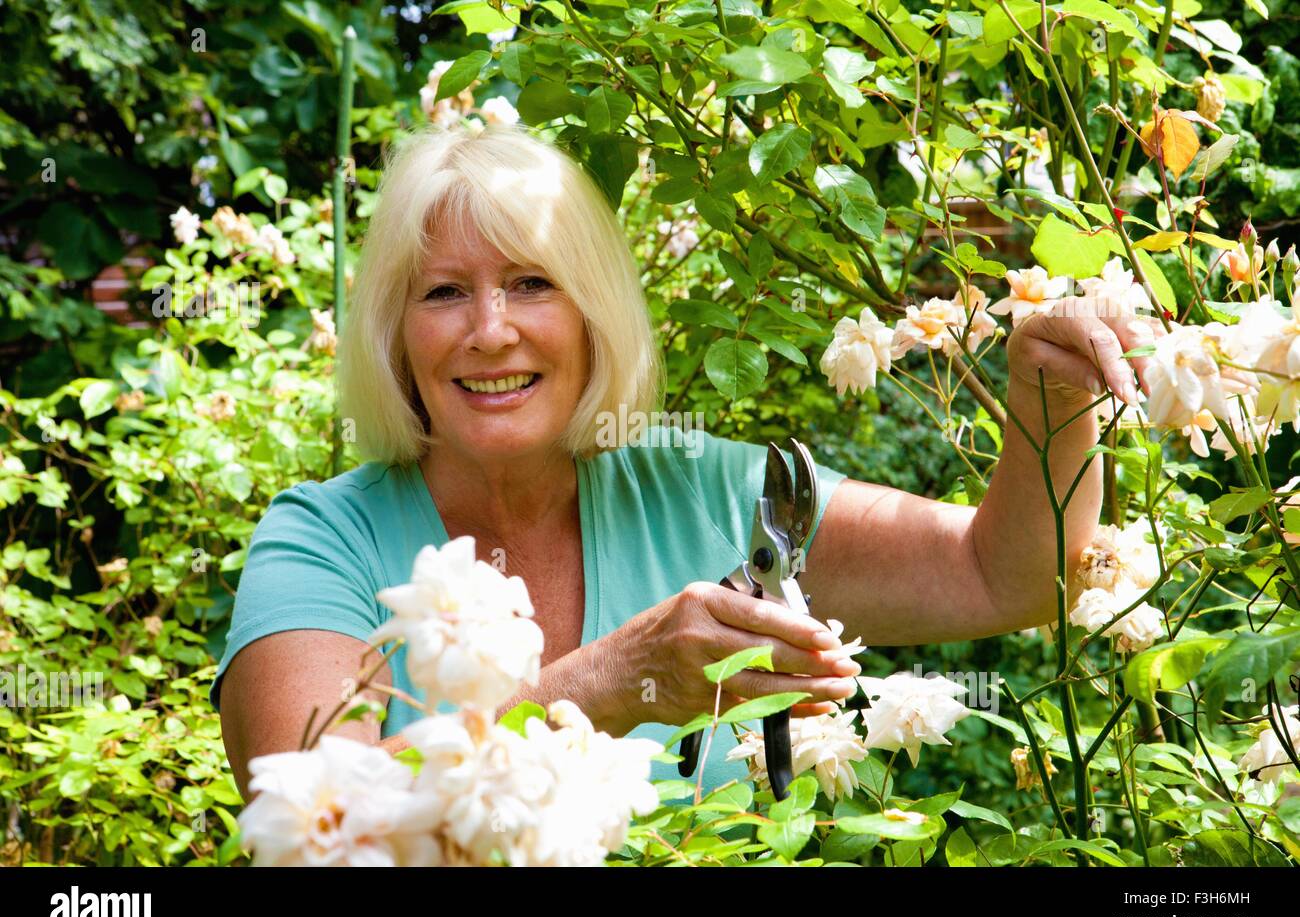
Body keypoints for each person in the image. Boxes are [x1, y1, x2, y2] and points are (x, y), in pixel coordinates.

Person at [214, 124, 1153, 800]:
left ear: (592, 316)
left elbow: (1007, 577)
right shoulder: (321, 544)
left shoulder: (708, 492)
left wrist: (1052, 399)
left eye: (532, 283)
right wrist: (607, 685)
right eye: (446, 292)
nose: (491, 332)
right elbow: (320, 823)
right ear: (395, 334)